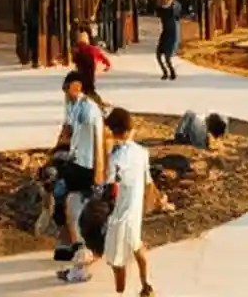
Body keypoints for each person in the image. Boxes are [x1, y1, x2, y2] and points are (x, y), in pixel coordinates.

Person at [61, 108, 167, 293]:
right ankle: (146, 285)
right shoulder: (142, 152)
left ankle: (120, 292)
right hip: (134, 211)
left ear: (113, 130)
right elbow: (148, 182)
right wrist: (157, 201)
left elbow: (108, 186)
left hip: (119, 215)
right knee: (137, 246)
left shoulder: (116, 158)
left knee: (117, 263)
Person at [52, 71, 105, 262]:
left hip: (87, 164)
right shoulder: (72, 105)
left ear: (77, 86)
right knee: (60, 195)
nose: (65, 93)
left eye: (67, 89)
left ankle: (81, 244)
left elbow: (98, 140)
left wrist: (99, 171)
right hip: (75, 160)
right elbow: (66, 130)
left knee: (78, 203)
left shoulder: (89, 109)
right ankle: (69, 242)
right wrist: (55, 152)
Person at [71, 26, 111, 104]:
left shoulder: (77, 49)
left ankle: (94, 101)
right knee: (88, 86)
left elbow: (74, 60)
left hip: (82, 70)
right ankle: (93, 101)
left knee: (84, 87)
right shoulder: (93, 48)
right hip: (91, 69)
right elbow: (102, 56)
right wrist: (107, 64)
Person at [154, 0, 183, 81]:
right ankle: (165, 72)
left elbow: (177, 10)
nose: (165, 0)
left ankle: (172, 72)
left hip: (172, 34)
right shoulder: (161, 9)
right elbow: (158, 11)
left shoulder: (175, 7)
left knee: (167, 57)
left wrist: (172, 2)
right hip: (165, 34)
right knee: (158, 55)